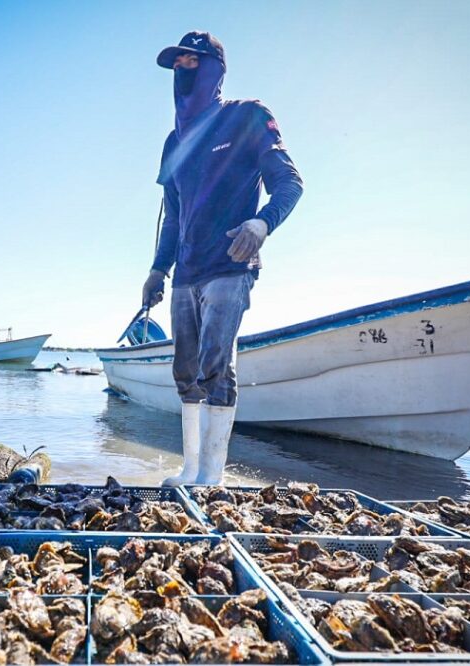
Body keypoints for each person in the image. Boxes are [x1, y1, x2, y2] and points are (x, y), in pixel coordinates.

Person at [142, 31, 303, 486]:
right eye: (177, 65)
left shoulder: (248, 117)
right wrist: (158, 268)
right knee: (184, 370)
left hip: (231, 263)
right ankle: (190, 467)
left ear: (215, 68)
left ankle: (212, 474)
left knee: (217, 365)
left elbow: (289, 183)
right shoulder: (174, 142)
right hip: (186, 271)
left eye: (192, 63)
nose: (182, 72)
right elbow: (173, 216)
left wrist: (263, 224)